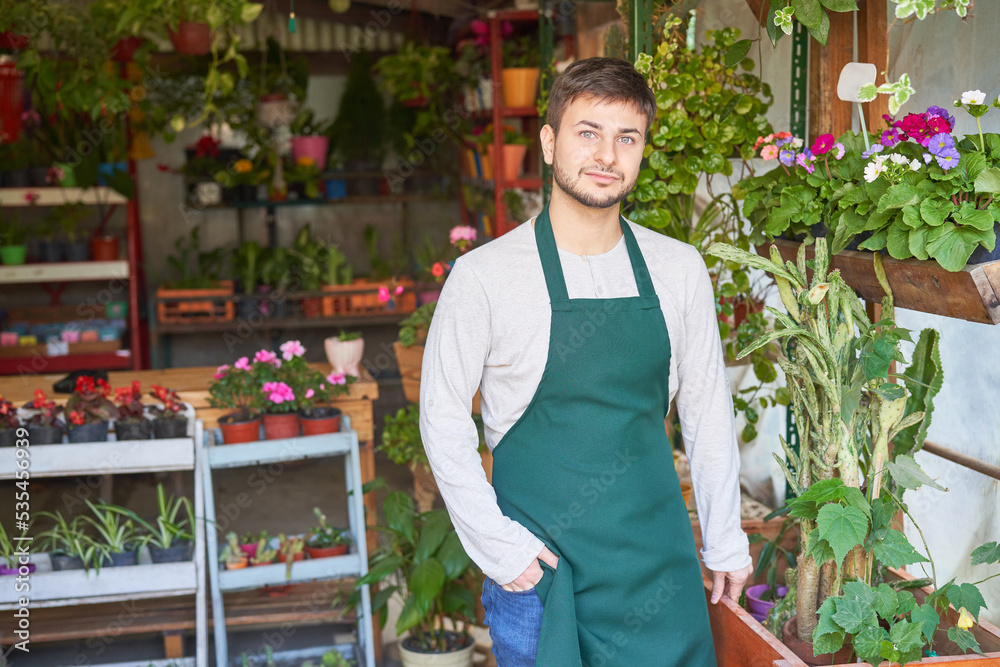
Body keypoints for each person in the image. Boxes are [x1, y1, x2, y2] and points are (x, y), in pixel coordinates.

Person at [419, 56, 752, 666]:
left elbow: (707, 410)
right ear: (549, 143)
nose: (606, 155)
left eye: (627, 138)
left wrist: (725, 539)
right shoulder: (484, 277)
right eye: (588, 132)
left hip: (660, 575)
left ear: (642, 150)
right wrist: (500, 548)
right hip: (543, 581)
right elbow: (441, 418)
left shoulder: (679, 269)